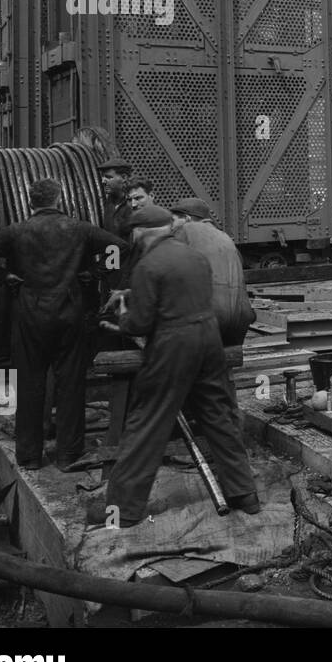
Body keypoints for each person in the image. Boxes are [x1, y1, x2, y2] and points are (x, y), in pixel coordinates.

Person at [87, 204, 259, 527]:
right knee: (218, 416)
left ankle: (121, 511)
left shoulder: (148, 266)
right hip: (209, 341)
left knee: (147, 423)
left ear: (140, 232)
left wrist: (123, 315)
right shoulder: (195, 257)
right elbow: (188, 296)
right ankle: (245, 494)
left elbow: (140, 323)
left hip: (173, 347)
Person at [0, 179, 126, 471]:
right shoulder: (80, 228)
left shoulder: (16, 231)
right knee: (71, 384)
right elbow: (121, 248)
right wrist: (98, 272)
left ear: (30, 202)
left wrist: (3, 278)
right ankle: (68, 455)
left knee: (29, 383)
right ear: (59, 199)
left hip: (30, 315)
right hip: (70, 314)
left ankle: (29, 457)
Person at [169, 197, 255, 346]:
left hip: (209, 318)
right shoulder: (225, 237)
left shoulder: (185, 230)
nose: (171, 226)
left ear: (187, 219)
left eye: (173, 220)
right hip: (242, 318)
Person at [98, 157, 135, 239]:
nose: (103, 181)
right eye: (103, 177)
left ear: (124, 178)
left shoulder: (135, 204)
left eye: (109, 177)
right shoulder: (108, 202)